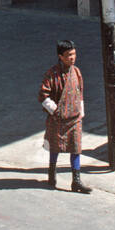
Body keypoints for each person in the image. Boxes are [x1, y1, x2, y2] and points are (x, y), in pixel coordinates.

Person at [37, 39, 90, 194]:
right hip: (58, 119)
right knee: (56, 147)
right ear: (60, 56)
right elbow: (43, 96)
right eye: (68, 55)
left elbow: (80, 92)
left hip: (75, 118)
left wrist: (81, 109)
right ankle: (51, 174)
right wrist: (56, 111)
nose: (72, 58)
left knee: (76, 148)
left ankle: (76, 181)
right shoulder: (52, 74)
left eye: (73, 54)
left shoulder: (77, 72)